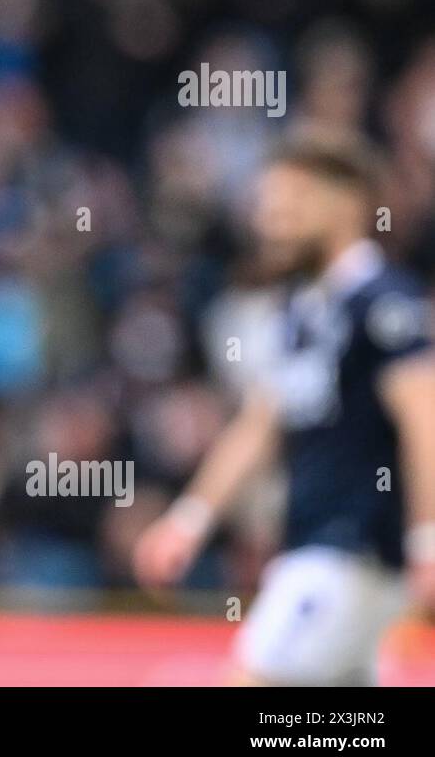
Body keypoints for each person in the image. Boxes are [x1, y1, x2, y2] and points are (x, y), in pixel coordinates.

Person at [134, 128, 435, 685]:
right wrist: (188, 521)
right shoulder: (305, 310)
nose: (272, 223)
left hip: (351, 551)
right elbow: (260, 424)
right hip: (320, 547)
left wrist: (428, 541)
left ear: (345, 203)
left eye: (291, 205)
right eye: (268, 208)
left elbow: (425, 420)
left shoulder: (384, 304)